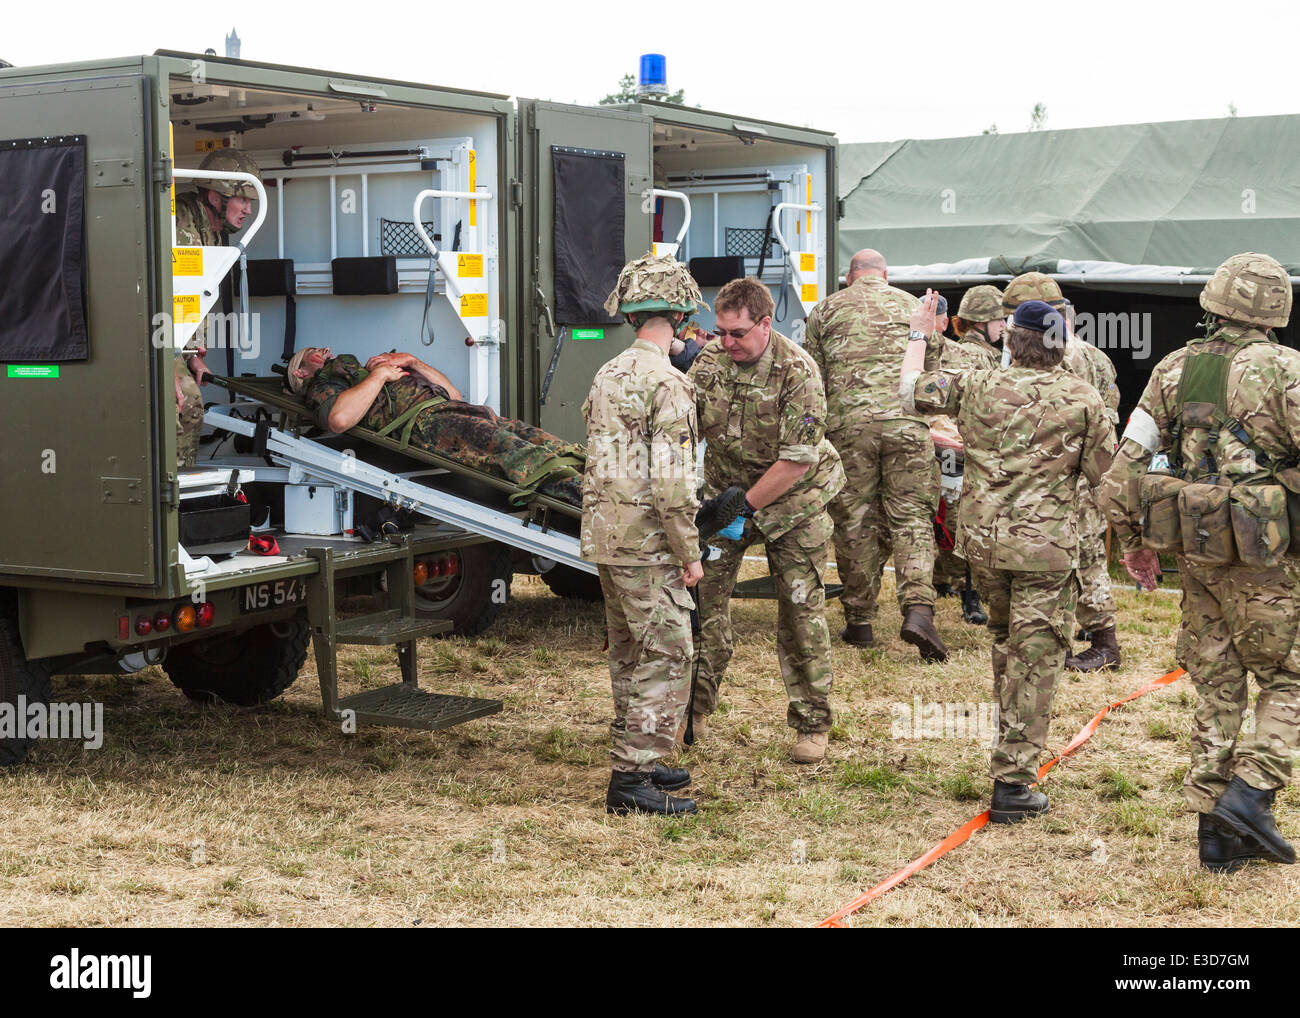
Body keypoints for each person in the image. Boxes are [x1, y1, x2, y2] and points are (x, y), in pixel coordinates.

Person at [1100, 252, 1300, 873]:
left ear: (1212, 303)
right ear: (1274, 313)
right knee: (1290, 680)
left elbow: (1124, 467)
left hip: (1199, 554)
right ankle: (1251, 792)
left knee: (1217, 688)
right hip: (1270, 561)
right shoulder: (1287, 371)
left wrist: (1132, 540)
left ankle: (1214, 835)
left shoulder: (1171, 370)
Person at [901, 295, 1115, 823]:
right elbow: (1108, 478)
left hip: (985, 545)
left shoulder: (976, 385)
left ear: (1008, 339)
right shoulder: (1084, 399)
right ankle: (1014, 781)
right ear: (1061, 345)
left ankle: (1010, 740)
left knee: (1007, 642)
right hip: (1046, 549)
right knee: (1036, 656)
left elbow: (908, 392)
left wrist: (919, 334)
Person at [688, 276, 845, 763]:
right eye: (720, 332)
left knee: (800, 610)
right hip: (725, 495)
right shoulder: (710, 360)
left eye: (737, 333)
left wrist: (747, 508)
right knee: (700, 602)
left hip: (793, 501)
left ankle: (812, 722)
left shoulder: (799, 372)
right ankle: (690, 712)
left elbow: (797, 461)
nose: (727, 343)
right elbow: (685, 423)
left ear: (765, 323)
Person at [583, 253, 707, 816]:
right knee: (669, 651)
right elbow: (674, 482)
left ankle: (645, 756)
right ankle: (632, 776)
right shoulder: (668, 383)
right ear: (680, 315)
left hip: (609, 537)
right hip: (651, 544)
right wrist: (690, 552)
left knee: (632, 652)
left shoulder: (608, 373)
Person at [803, 249, 947, 661]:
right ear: (885, 275)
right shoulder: (913, 307)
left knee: (854, 518)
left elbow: (812, 376)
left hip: (850, 429)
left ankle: (860, 622)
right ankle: (919, 610)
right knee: (913, 519)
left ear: (850, 278)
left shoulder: (825, 310)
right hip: (907, 424)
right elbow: (931, 374)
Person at [1001, 272, 1123, 671]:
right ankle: (1088, 638)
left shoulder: (1048, 354)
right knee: (1081, 554)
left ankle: (1104, 642)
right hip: (1088, 469)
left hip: (1055, 475)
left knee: (1077, 557)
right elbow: (1110, 416)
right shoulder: (1095, 355)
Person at [288, 347, 584, 505]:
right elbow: (339, 420)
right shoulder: (322, 386)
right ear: (301, 371)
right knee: (518, 455)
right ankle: (591, 499)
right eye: (314, 352)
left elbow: (453, 394)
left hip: (450, 409)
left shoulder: (363, 371)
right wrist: (379, 377)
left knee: (539, 439)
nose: (325, 349)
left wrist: (413, 362)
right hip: (426, 423)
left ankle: (603, 476)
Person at [173, 147, 262, 469]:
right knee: (185, 403)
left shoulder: (207, 230)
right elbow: (162, 298)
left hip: (172, 345)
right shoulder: (183, 229)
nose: (248, 210)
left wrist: (193, 356)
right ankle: (169, 501)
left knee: (191, 402)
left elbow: (189, 298)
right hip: (153, 344)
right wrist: (170, 364)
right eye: (243, 200)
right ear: (215, 197)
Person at [928, 293, 988, 625]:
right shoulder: (949, 354)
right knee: (947, 516)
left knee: (947, 514)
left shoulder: (949, 353)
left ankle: (950, 582)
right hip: (945, 445)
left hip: (949, 445)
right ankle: (953, 584)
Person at [950, 285, 1005, 367]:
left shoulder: (982, 353)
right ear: (981, 320)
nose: (1003, 325)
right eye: (999, 319)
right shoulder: (972, 356)